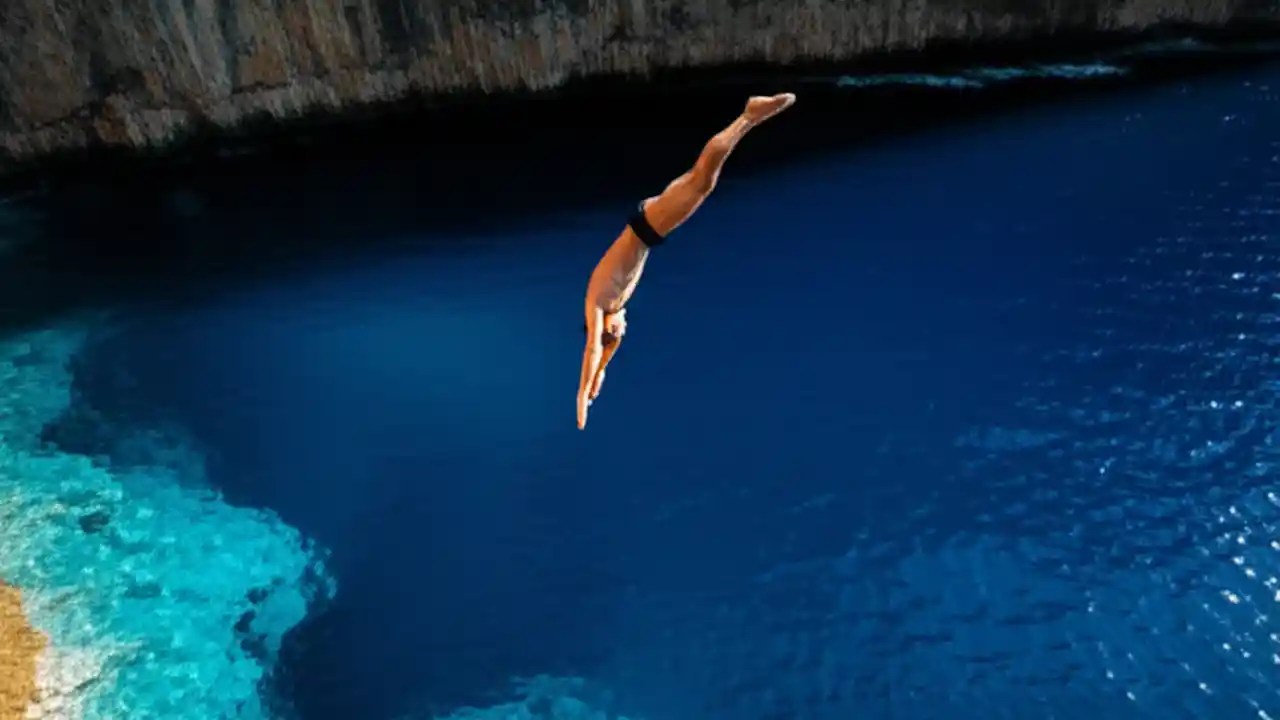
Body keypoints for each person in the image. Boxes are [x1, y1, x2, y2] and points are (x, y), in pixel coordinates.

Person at [576, 92, 797, 430]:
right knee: (701, 183)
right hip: (652, 229)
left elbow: (593, 352)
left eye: (617, 329)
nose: (624, 327)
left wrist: (581, 400)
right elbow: (603, 361)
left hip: (647, 223)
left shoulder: (598, 300)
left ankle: (749, 116)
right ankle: (749, 119)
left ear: (603, 326)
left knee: (701, 180)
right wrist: (596, 386)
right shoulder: (614, 315)